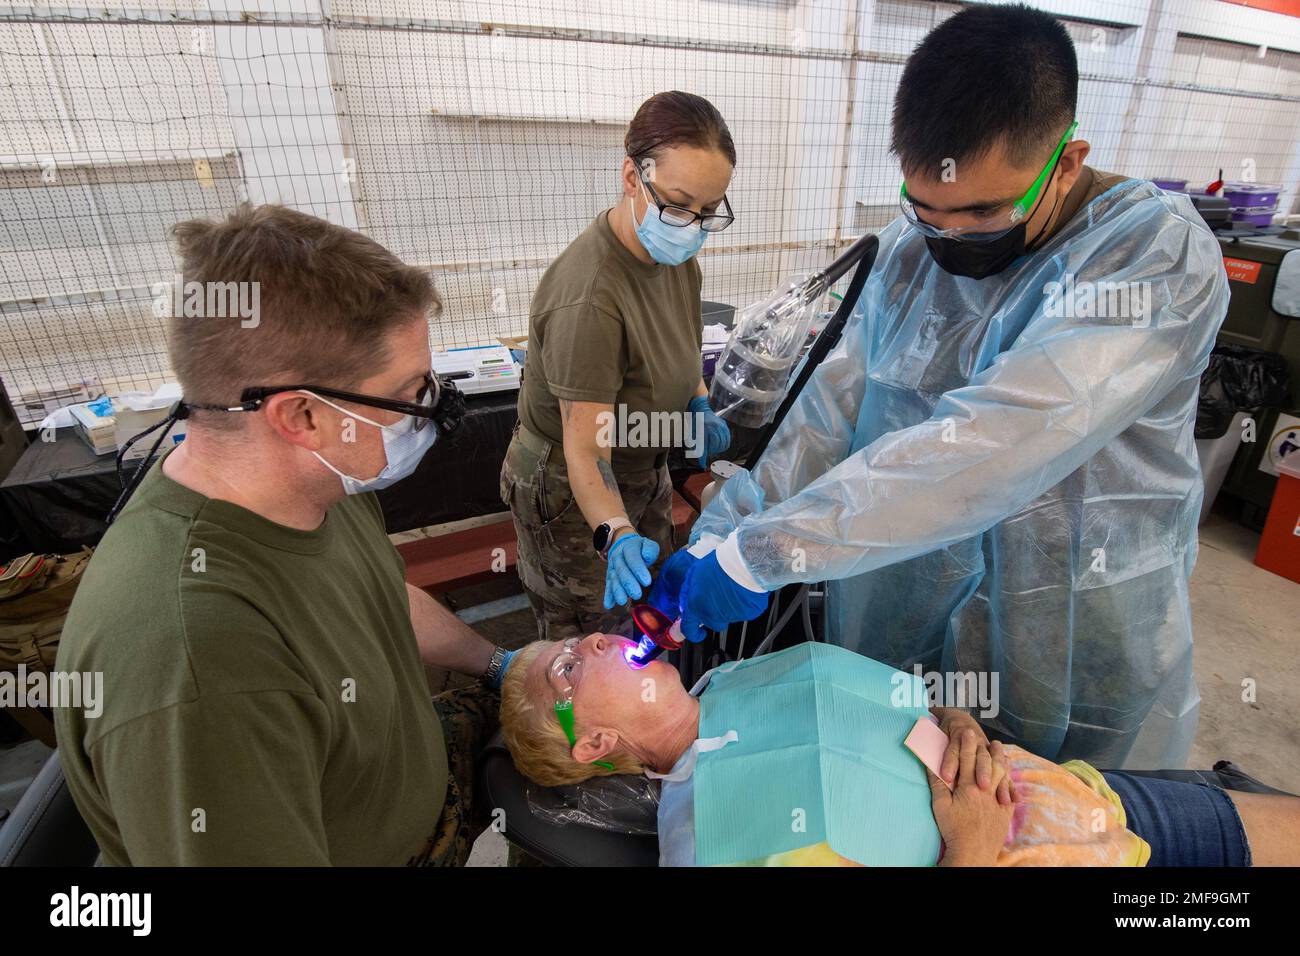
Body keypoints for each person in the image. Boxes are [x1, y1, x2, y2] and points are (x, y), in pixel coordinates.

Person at [656, 3, 1230, 770]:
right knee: (901, 783)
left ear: (1065, 160)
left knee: (1061, 809)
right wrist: (729, 529)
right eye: (927, 210)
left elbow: (1001, 442)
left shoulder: (1151, 259)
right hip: (904, 599)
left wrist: (768, 555)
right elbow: (832, 411)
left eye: (983, 212)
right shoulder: (908, 250)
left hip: (1071, 612)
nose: (950, 238)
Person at [53, 204, 514, 865]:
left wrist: (501, 665)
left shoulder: (317, 487)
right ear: (303, 416)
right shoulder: (200, 661)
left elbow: (375, 597)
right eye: (410, 394)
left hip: (405, 790)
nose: (432, 412)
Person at [499, 635, 1300, 867]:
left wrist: (955, 722)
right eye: (568, 666)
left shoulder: (737, 680)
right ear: (597, 742)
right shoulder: (709, 842)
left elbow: (905, 707)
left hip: (1072, 793)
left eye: (578, 636)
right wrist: (976, 846)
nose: (596, 638)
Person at [502, 91, 734, 644]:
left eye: (708, 210)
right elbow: (586, 449)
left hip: (640, 464)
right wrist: (615, 531)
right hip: (572, 482)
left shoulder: (675, 259)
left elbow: (682, 345)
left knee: (648, 615)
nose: (694, 226)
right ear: (633, 176)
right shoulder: (590, 297)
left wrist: (698, 400)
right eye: (679, 205)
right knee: (591, 646)